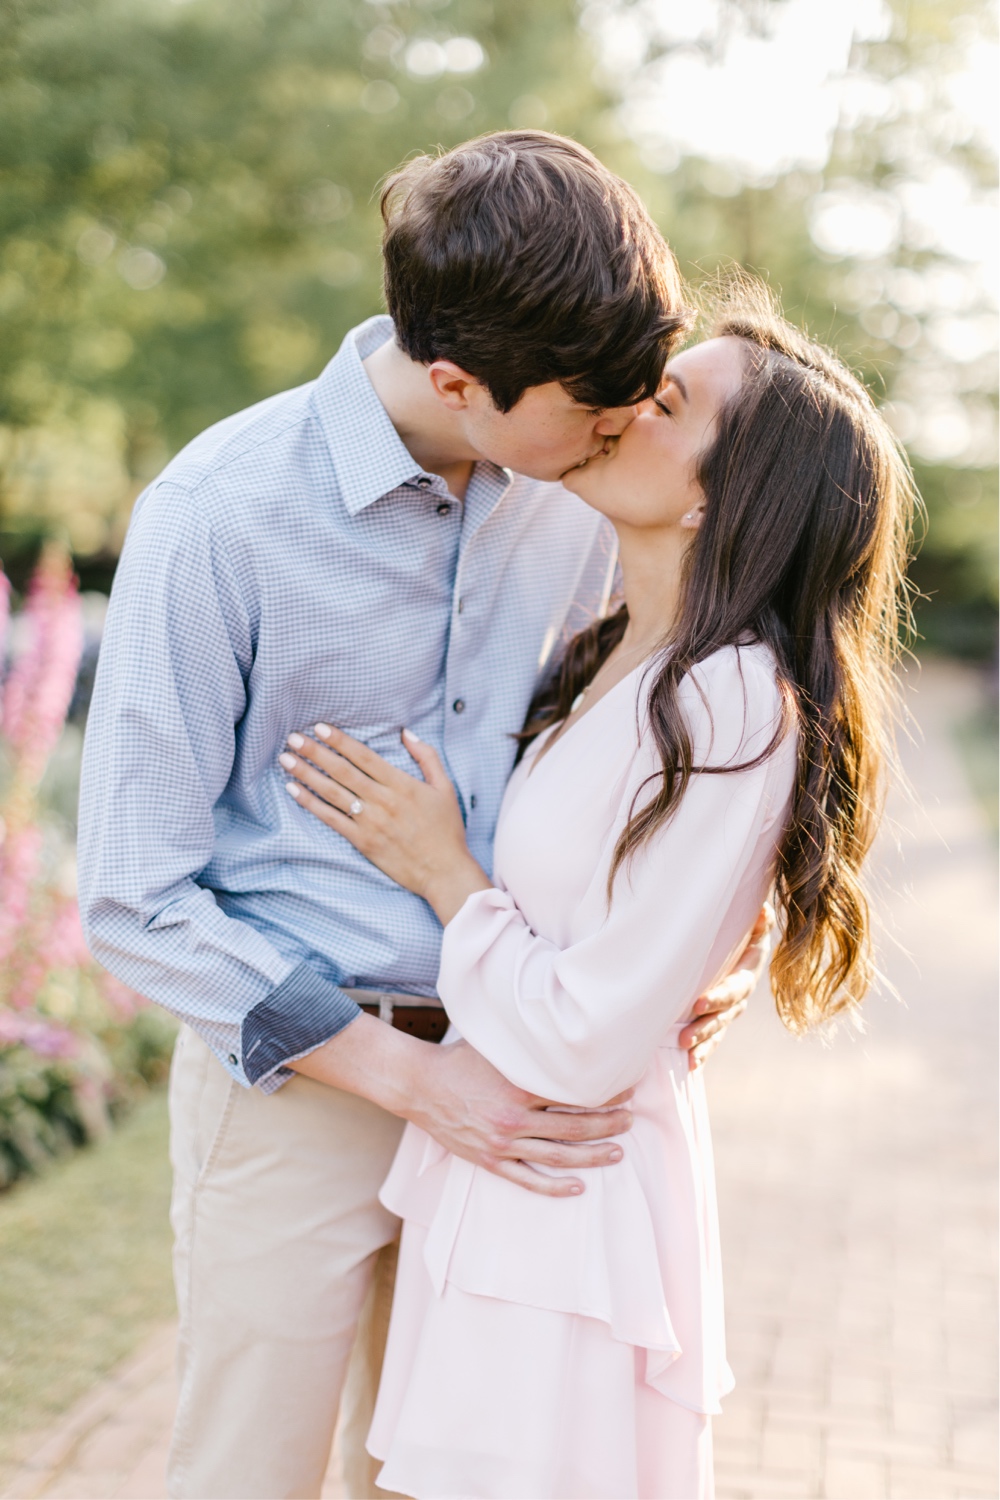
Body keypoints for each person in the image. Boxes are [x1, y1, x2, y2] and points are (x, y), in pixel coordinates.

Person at [76, 132, 765, 1500]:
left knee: (450, 1478)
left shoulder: (579, 500)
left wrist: (697, 941)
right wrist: (414, 1083)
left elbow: (650, 742)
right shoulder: (218, 516)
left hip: (523, 1078)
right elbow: (131, 900)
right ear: (462, 384)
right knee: (246, 1475)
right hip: (304, 1090)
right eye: (597, 407)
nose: (626, 427)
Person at [281, 278, 916, 1499]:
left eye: (666, 399)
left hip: (568, 1187)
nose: (624, 401)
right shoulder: (615, 651)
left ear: (722, 499)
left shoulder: (730, 705)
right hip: (512, 1173)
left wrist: (444, 875)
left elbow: (583, 1037)